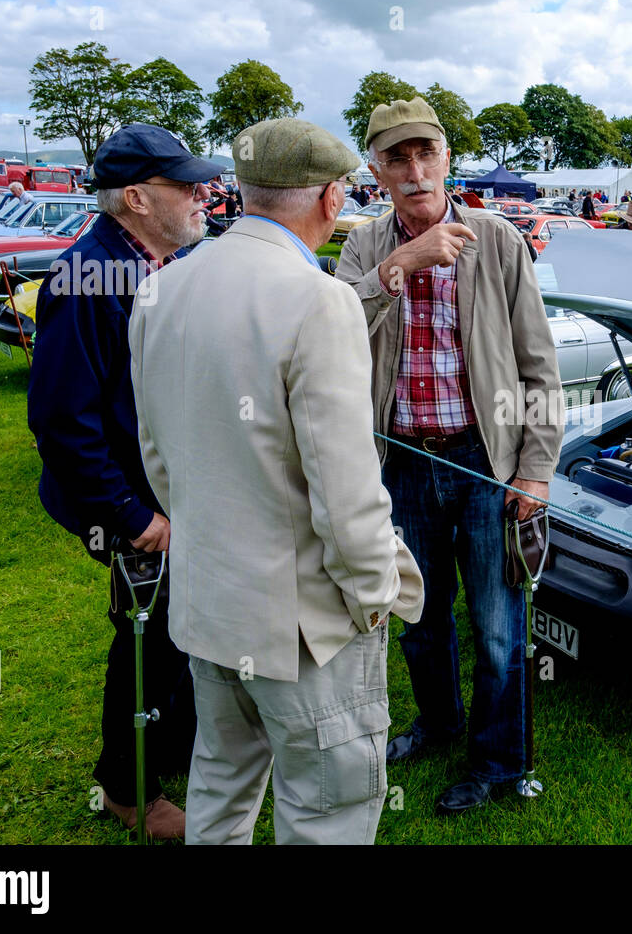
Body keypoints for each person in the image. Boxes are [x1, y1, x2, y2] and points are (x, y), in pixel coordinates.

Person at [128, 119, 422, 845]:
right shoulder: (318, 299)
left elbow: (158, 455)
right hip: (305, 627)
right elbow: (345, 487)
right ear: (330, 197)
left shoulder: (163, 287)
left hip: (209, 599)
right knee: (327, 813)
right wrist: (375, 595)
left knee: (220, 797)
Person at [336, 96, 564, 816]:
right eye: (396, 157)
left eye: (425, 153)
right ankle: (438, 724)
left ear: (445, 158)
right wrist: (401, 264)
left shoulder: (496, 239)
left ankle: (499, 762)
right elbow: (335, 330)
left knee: (498, 628)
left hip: (484, 461)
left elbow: (539, 365)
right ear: (375, 167)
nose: (414, 170)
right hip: (401, 461)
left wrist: (535, 467)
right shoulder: (365, 245)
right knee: (418, 616)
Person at [27, 123, 222, 840]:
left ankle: (173, 756)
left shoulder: (158, 262)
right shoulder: (88, 274)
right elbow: (61, 421)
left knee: (178, 635)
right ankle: (127, 789)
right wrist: (133, 518)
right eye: (186, 184)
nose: (204, 193)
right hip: (133, 507)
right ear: (136, 198)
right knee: (147, 640)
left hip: (169, 493)